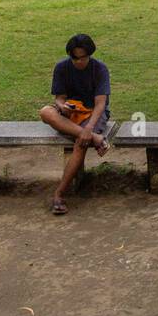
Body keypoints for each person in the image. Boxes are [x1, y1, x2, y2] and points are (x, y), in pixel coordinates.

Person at [39, 33, 111, 214]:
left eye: (82, 58)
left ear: (89, 55)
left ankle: (59, 194)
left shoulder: (100, 69)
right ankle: (96, 137)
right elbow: (59, 99)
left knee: (81, 142)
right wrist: (63, 108)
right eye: (75, 58)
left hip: (91, 113)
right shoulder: (61, 67)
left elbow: (100, 104)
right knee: (45, 112)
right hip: (71, 113)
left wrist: (88, 127)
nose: (78, 62)